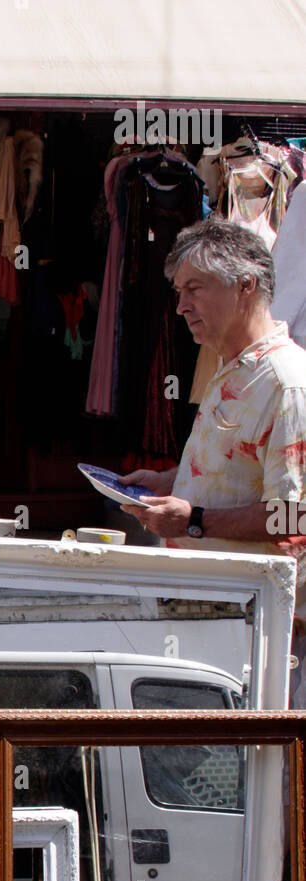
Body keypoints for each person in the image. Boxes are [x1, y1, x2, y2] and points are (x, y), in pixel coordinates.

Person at [119, 218, 306, 703]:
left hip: (252, 640)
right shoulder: (232, 369)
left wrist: (195, 520)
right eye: (180, 291)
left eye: (195, 289)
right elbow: (238, 472)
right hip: (208, 622)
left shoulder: (287, 383)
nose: (181, 306)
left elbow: (294, 518)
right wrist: (169, 480)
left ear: (245, 286)